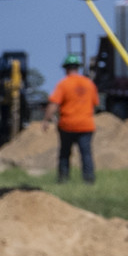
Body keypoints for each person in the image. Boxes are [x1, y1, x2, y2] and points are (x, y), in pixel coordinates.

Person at [49, 51, 99, 184]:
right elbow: (95, 103)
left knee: (65, 154)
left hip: (67, 125)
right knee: (86, 154)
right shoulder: (89, 83)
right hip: (86, 125)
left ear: (66, 68)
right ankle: (89, 180)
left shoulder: (63, 84)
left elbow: (54, 104)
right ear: (78, 67)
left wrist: (46, 119)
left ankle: (63, 179)